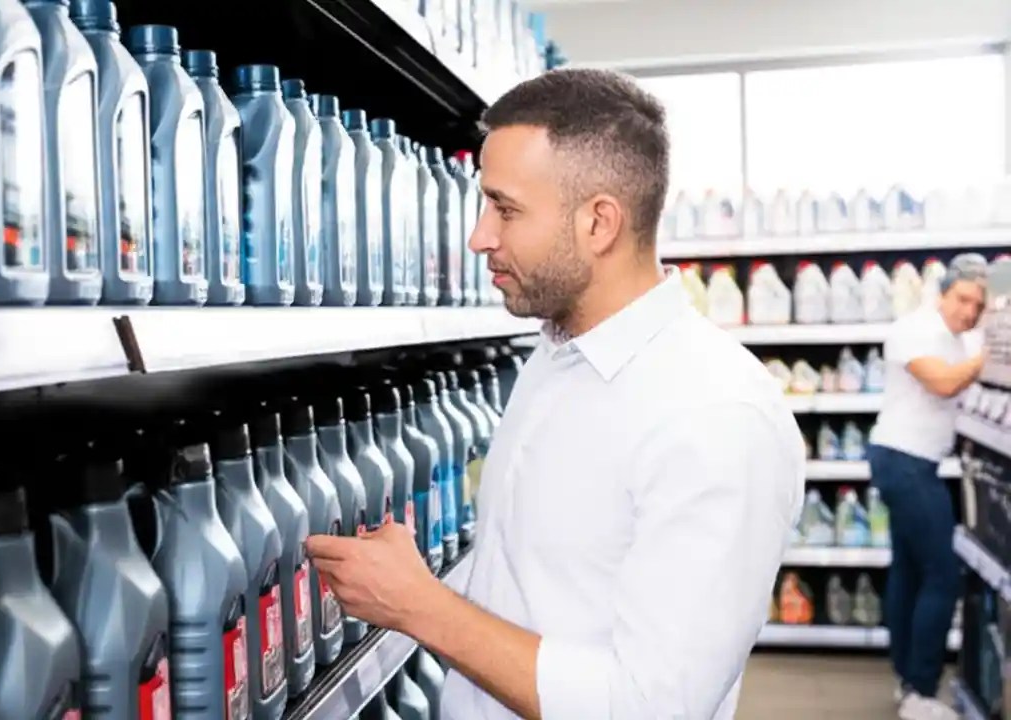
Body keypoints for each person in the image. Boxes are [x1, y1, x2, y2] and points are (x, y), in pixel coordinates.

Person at [305, 68, 805, 719]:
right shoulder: (555, 355)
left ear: (599, 224)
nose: (480, 236)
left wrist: (421, 606)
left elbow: (651, 706)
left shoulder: (716, 417)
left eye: (505, 208)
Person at [867, 254, 988, 720]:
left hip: (919, 463)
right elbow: (942, 383)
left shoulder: (964, 338)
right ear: (943, 293)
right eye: (962, 300)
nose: (969, 312)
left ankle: (906, 681)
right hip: (903, 461)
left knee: (911, 571)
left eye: (978, 305)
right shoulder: (911, 330)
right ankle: (919, 689)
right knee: (943, 574)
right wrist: (992, 354)